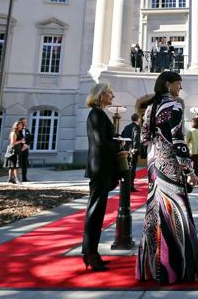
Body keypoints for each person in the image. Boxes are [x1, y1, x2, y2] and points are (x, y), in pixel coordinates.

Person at [137, 71, 198, 284]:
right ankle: (175, 268)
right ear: (168, 84)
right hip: (170, 166)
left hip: (153, 165)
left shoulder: (149, 108)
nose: (180, 88)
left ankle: (152, 268)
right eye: (178, 84)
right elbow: (177, 139)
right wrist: (190, 170)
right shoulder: (174, 106)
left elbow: (144, 138)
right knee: (176, 211)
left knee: (155, 213)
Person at [81, 82, 120, 272]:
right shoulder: (95, 115)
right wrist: (119, 146)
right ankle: (89, 253)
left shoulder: (100, 114)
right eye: (109, 93)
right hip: (99, 168)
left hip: (103, 168)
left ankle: (91, 251)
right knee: (95, 212)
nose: (112, 96)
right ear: (100, 95)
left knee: (97, 212)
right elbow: (100, 142)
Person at [120, 113, 141, 191]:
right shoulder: (136, 127)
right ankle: (130, 186)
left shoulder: (127, 127)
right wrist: (135, 148)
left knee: (127, 168)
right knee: (132, 168)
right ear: (138, 119)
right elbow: (136, 138)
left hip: (126, 150)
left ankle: (126, 185)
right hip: (133, 151)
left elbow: (122, 137)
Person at [19, 118, 33, 182]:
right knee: (16, 164)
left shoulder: (27, 130)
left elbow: (29, 140)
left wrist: (27, 145)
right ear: (20, 122)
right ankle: (13, 178)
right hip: (18, 149)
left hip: (25, 149)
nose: (25, 123)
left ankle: (24, 178)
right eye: (23, 122)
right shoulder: (17, 131)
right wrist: (21, 145)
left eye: (25, 122)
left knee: (24, 164)